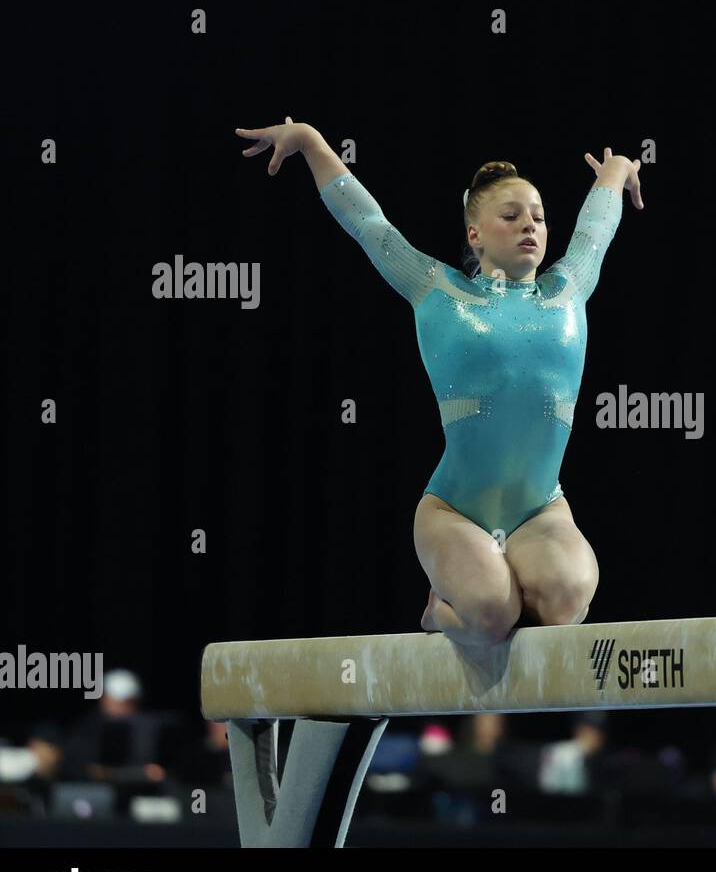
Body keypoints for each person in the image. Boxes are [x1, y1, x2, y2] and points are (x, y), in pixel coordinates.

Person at [234, 118, 644, 648]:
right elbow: (369, 224)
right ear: (475, 233)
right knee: (495, 616)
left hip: (541, 507)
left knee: (566, 603)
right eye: (512, 215)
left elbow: (596, 228)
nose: (531, 226)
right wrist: (311, 142)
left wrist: (614, 172)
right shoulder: (438, 291)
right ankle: (440, 612)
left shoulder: (568, 288)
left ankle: (485, 604)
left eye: (539, 217)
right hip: (454, 512)